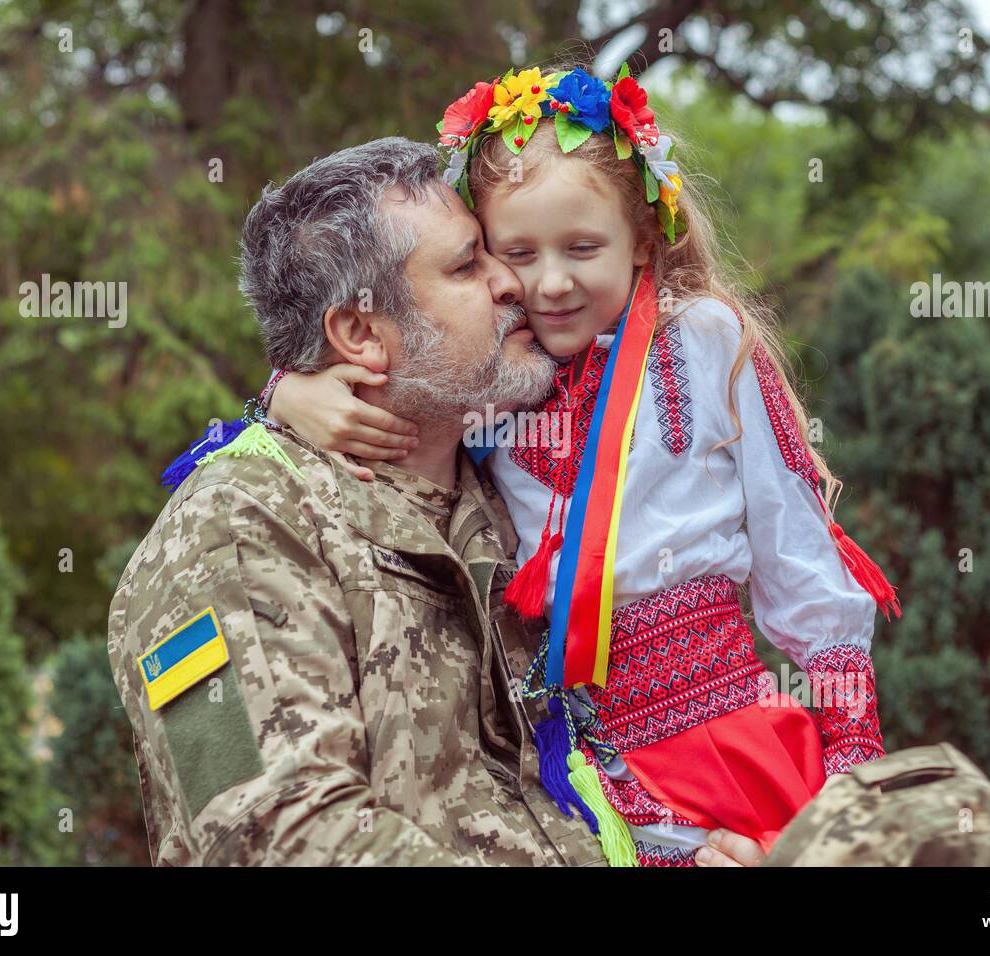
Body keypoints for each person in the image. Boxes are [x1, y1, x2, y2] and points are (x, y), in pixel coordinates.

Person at [264, 62, 903, 867]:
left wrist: (852, 764)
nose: (552, 282)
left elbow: (800, 561)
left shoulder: (704, 342)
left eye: (583, 247)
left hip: (730, 743)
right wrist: (287, 392)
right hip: (576, 773)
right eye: (517, 253)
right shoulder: (496, 368)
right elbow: (383, 371)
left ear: (641, 238)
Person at [109, 136, 621, 865]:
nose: (511, 281)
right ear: (358, 333)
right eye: (466, 265)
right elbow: (273, 836)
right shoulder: (233, 528)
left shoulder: (524, 494)